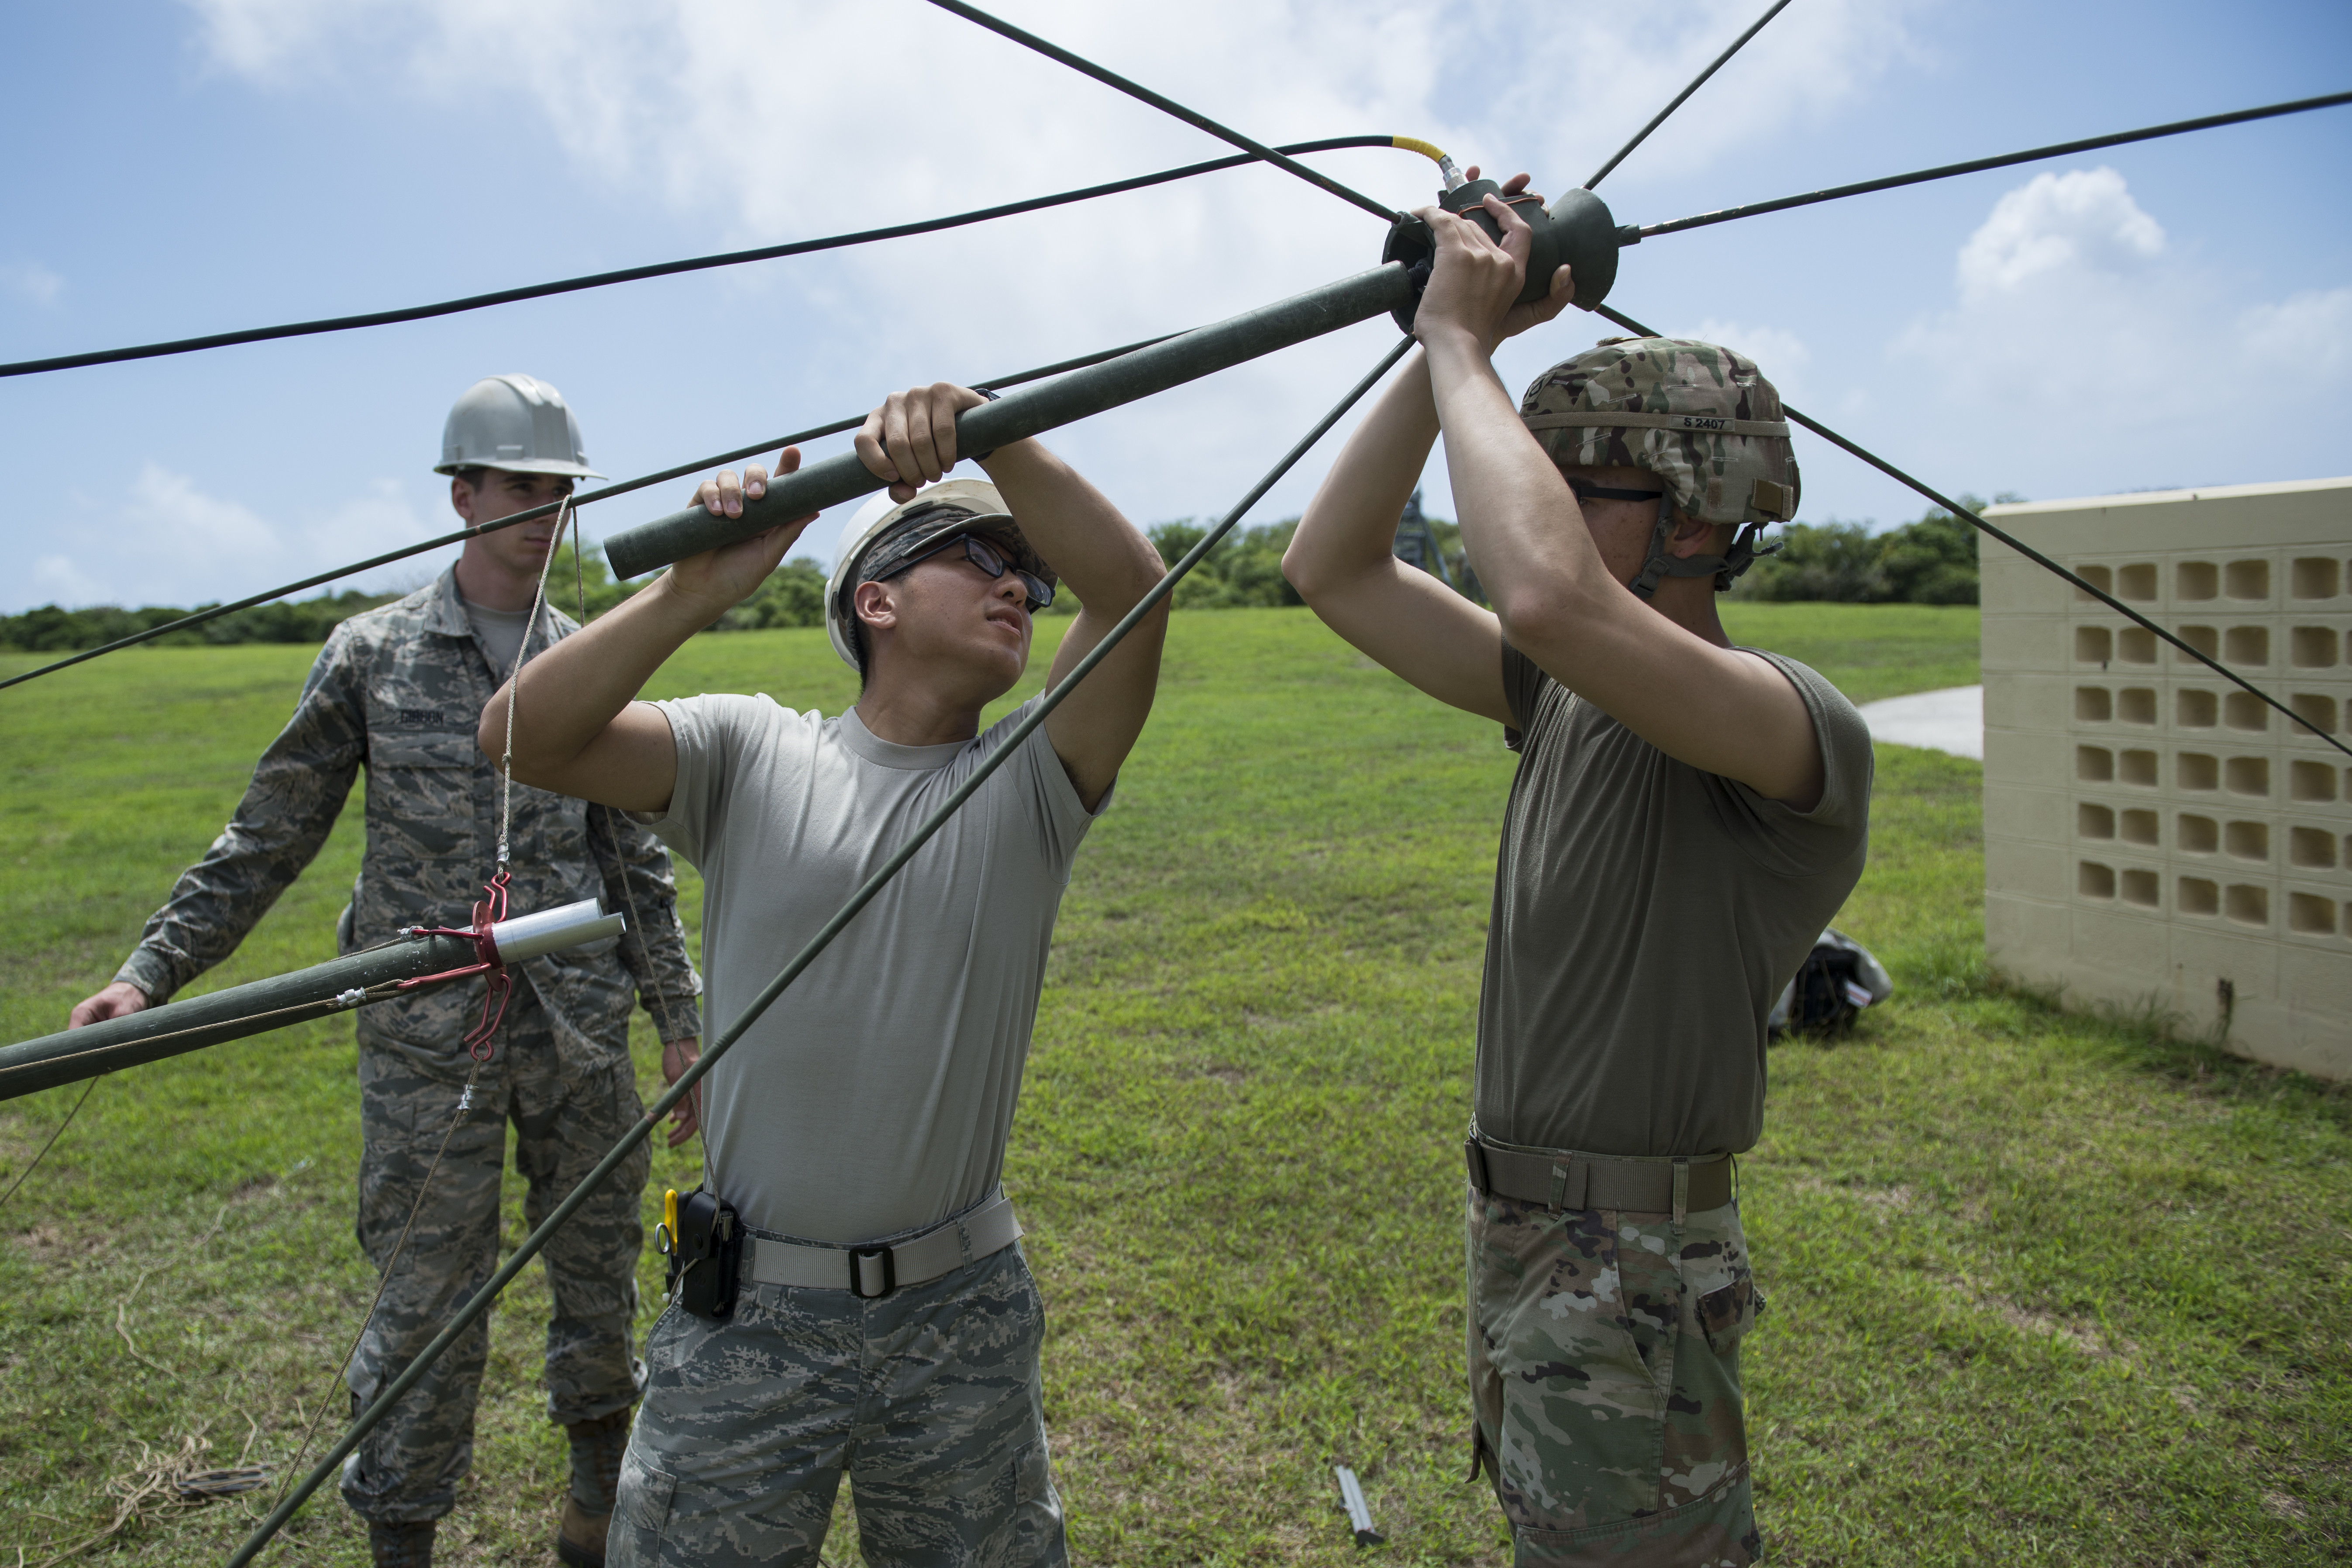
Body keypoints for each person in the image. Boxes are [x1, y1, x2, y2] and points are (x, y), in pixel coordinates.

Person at [1281, 176, 1871, 1566]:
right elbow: (1334, 566)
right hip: (1527, 1229)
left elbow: (1547, 593)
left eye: (1572, 482)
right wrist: (1435, 349)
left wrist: (1466, 346)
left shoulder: (1788, 719)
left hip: (1635, 1263)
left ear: (1690, 511)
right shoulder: (1562, 696)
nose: (1528, 499)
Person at [482, 379, 1169, 1567]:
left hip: (960, 1313)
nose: (1018, 584)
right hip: (750, 1314)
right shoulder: (749, 751)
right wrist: (692, 589)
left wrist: (993, 438)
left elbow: (1135, 594)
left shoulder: (1038, 778)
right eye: (975, 557)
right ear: (877, 599)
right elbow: (520, 736)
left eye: (1027, 572)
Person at [68, 375, 707, 1568]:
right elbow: (270, 831)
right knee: (424, 1300)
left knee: (597, 1272)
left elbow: (637, 862)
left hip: (578, 1029)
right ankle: (402, 1535)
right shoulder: (371, 655)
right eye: (517, 486)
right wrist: (149, 974)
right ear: (459, 493)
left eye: (558, 490)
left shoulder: (592, 661)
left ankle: (593, 1505)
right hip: (425, 1042)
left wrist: (680, 1020)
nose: (541, 512)